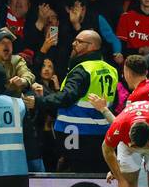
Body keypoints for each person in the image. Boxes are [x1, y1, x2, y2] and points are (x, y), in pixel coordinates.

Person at [39, 29, 119, 174]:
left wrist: (40, 101)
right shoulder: (111, 70)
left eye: (79, 41)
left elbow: (67, 97)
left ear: (92, 46)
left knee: (75, 175)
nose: (73, 44)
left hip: (76, 133)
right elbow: (115, 100)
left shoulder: (82, 69)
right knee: (98, 174)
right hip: (102, 133)